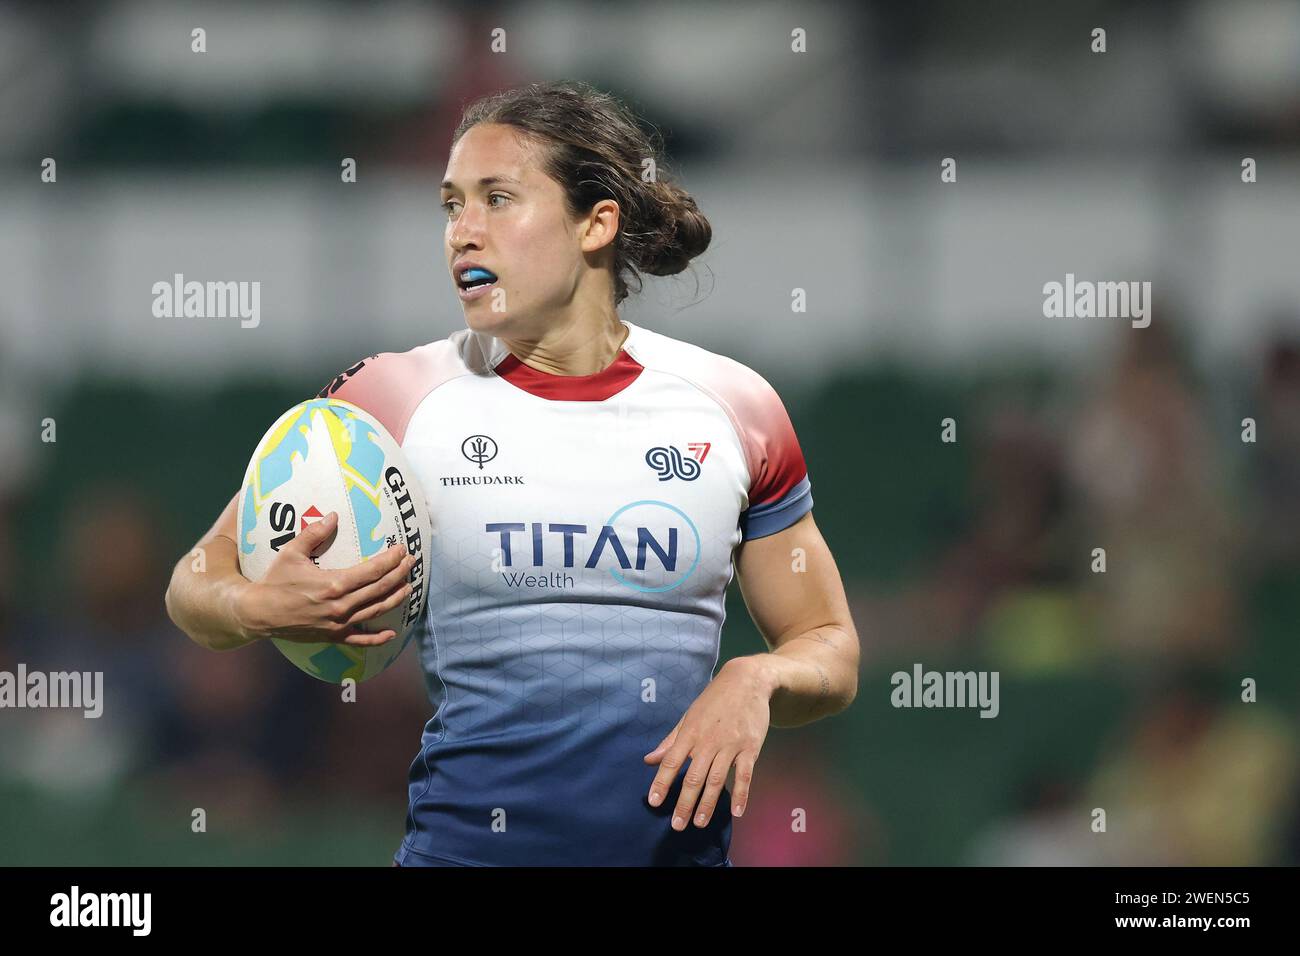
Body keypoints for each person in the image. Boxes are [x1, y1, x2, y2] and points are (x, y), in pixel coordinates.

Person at [165, 80, 860, 866]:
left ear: (596, 223)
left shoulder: (737, 408)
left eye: (498, 199)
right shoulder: (392, 397)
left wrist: (757, 678)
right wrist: (256, 604)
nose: (463, 232)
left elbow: (829, 645)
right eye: (451, 205)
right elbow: (193, 582)